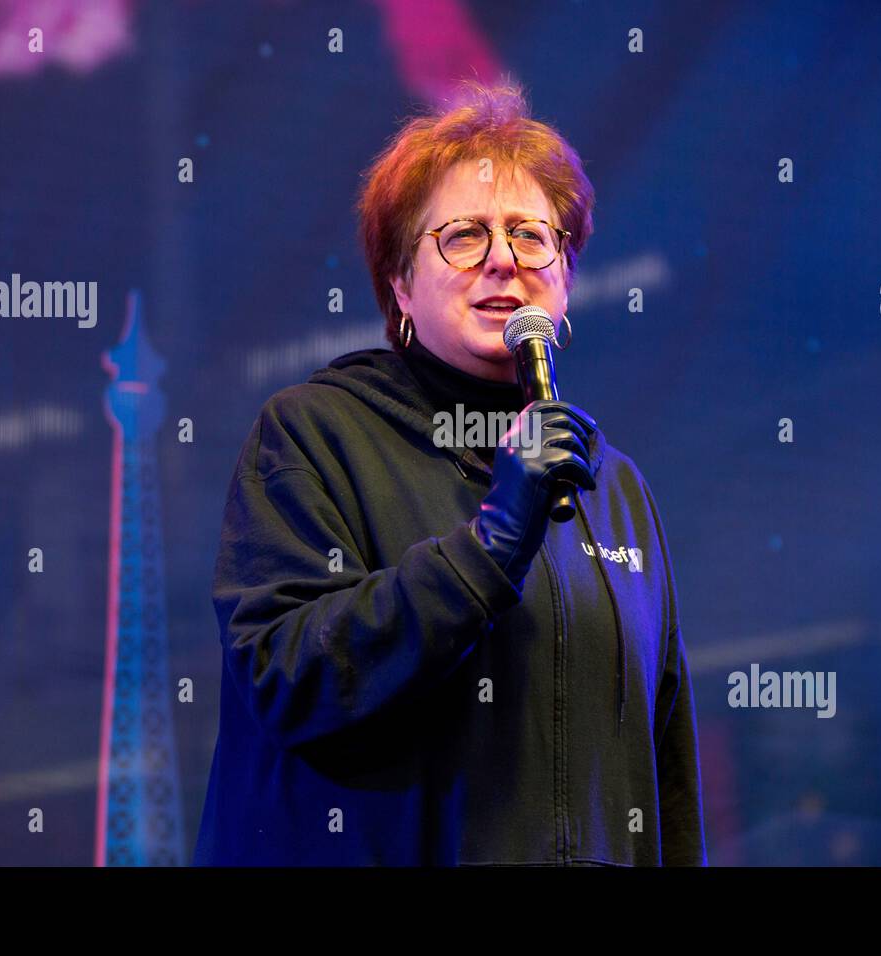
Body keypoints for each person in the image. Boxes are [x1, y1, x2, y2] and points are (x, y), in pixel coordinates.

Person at [192, 81, 706, 866]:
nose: (503, 259)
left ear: (565, 280)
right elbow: (290, 677)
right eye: (463, 236)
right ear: (399, 284)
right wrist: (496, 538)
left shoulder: (616, 488)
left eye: (533, 237)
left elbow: (664, 771)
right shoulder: (313, 436)